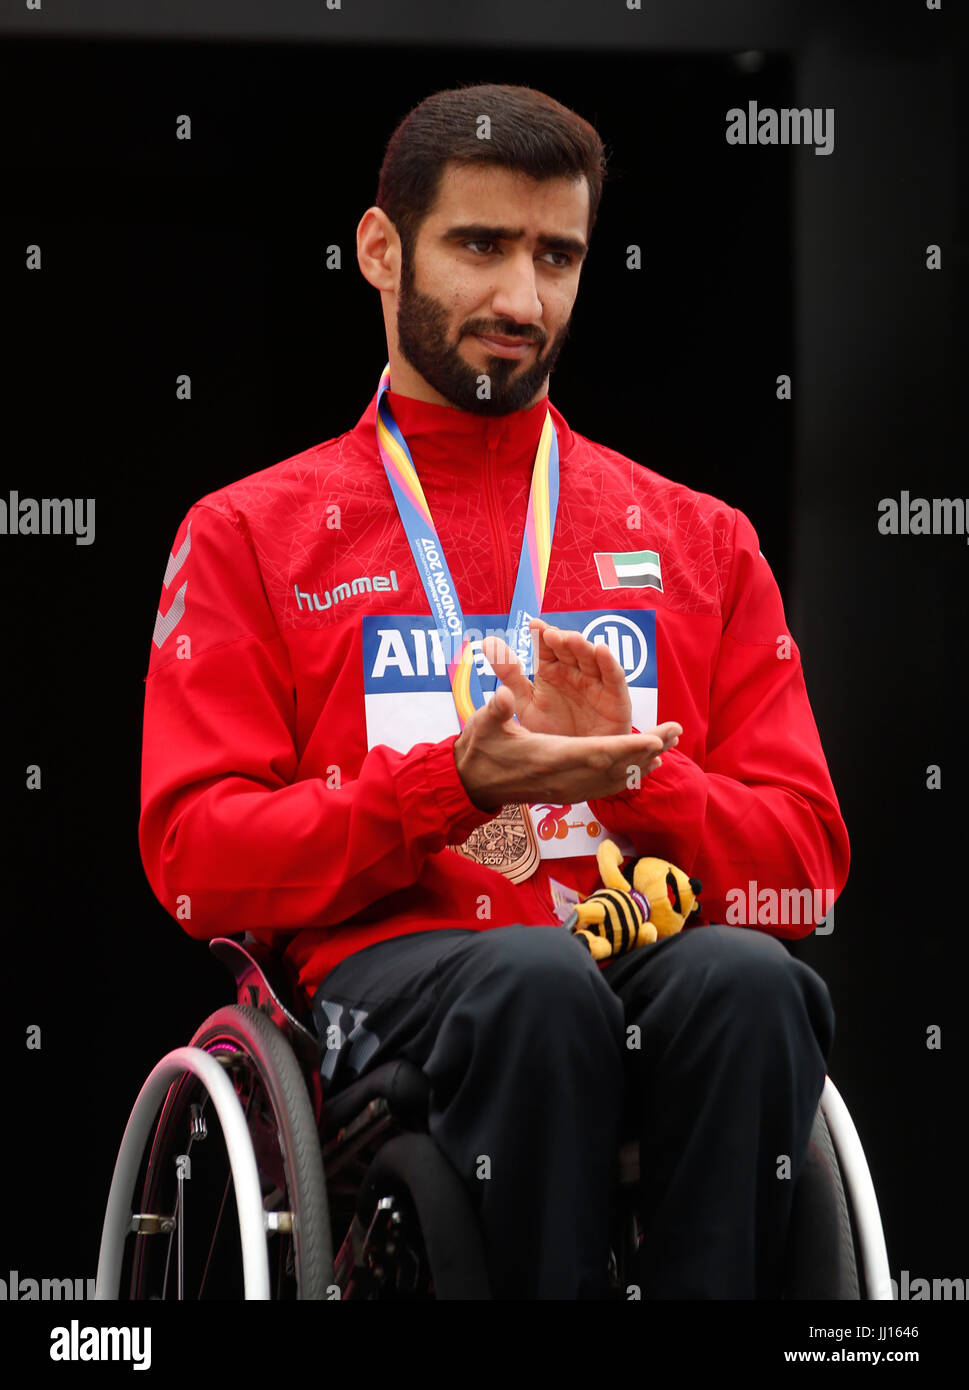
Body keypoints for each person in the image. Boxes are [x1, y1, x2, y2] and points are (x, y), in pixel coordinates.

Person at [138, 82, 849, 1299]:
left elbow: (808, 873)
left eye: (557, 255)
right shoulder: (249, 534)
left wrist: (643, 780)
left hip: (635, 961)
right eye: (480, 246)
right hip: (398, 996)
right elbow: (194, 851)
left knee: (753, 981)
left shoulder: (702, 541)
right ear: (380, 249)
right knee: (536, 987)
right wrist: (441, 789)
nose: (523, 301)